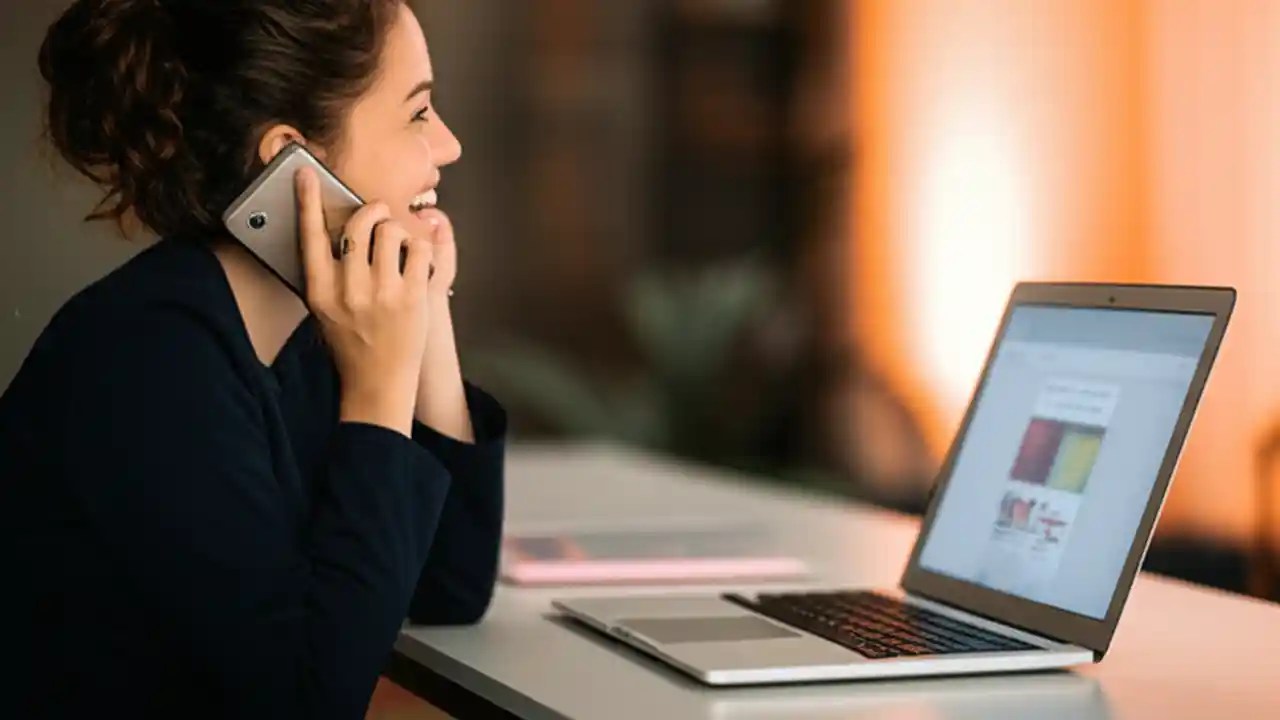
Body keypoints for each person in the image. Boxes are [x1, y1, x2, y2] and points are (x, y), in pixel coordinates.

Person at [0, 1, 506, 717]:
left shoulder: (303, 335)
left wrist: (423, 310)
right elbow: (307, 703)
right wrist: (379, 386)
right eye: (419, 113)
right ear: (294, 162)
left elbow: (448, 587)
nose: (449, 145)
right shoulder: (151, 360)